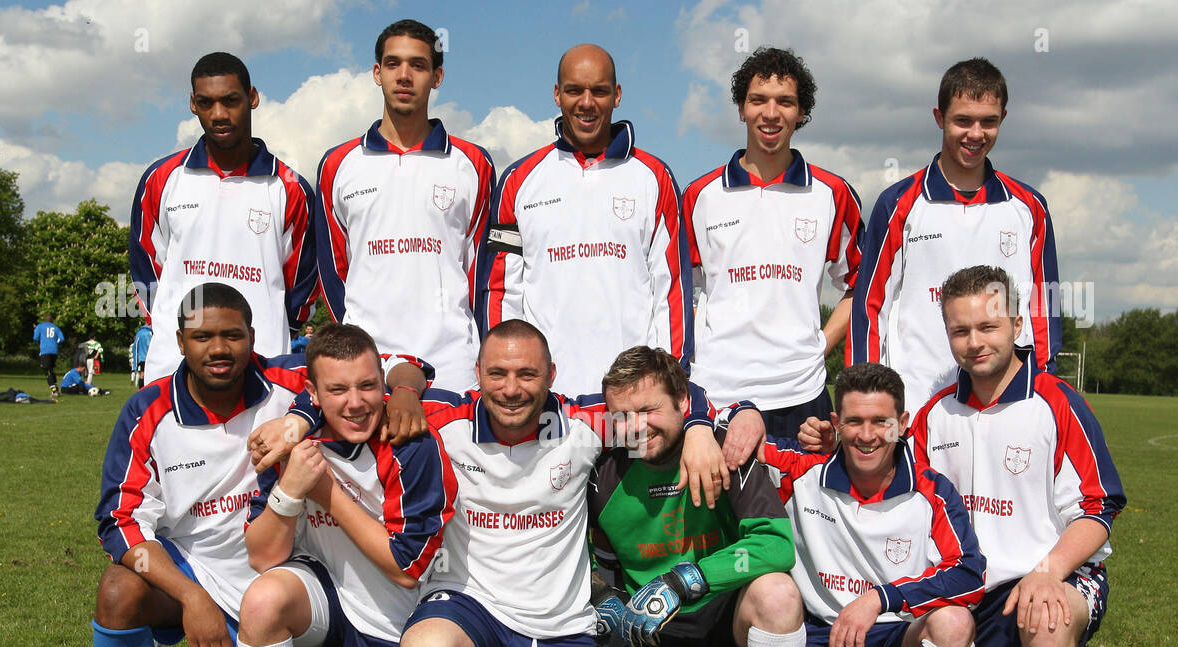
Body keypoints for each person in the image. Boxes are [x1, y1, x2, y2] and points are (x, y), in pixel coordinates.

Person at [91, 281, 430, 647]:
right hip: (195, 575)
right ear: (180, 341)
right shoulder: (147, 411)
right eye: (203, 336)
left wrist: (403, 391)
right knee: (117, 589)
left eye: (232, 335)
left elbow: (386, 366)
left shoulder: (287, 380)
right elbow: (119, 523)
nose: (219, 348)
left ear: (254, 337)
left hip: (275, 577)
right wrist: (192, 600)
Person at [396, 321, 730, 647]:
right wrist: (401, 388)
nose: (511, 389)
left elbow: (675, 399)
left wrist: (702, 427)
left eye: (528, 374)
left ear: (552, 374)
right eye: (498, 374)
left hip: (560, 622)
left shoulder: (584, 424)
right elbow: (359, 383)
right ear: (477, 373)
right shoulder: (443, 420)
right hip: (472, 608)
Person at [909, 264, 1137, 647]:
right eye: (960, 331)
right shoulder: (935, 415)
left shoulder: (1057, 402)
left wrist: (1048, 571)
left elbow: (1097, 507)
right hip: (977, 595)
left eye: (988, 326)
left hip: (1058, 578)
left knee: (1047, 611)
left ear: (1016, 322)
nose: (975, 342)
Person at [209, 324, 454, 647]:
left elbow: (405, 570)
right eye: (337, 390)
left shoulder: (410, 440)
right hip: (331, 595)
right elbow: (261, 557)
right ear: (314, 394)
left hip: (401, 616)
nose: (356, 403)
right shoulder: (293, 442)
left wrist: (325, 494)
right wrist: (290, 491)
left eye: (367, 386)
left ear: (383, 383)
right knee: (262, 597)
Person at [589, 347, 805, 647]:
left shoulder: (726, 448)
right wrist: (607, 601)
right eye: (623, 416)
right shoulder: (601, 470)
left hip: (730, 610)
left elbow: (775, 546)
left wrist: (687, 578)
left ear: (685, 403)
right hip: (659, 622)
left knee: (779, 594)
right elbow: (595, 556)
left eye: (649, 411)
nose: (636, 427)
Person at [762, 363, 985, 647]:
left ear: (903, 424)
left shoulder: (931, 491)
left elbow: (969, 573)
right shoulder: (802, 471)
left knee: (955, 621)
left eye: (881, 421)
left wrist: (880, 598)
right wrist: (741, 414)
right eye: (854, 422)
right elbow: (732, 442)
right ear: (835, 424)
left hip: (897, 643)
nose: (868, 435)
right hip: (823, 642)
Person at [848, 58, 1060, 412]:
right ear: (938, 117)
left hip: (1010, 406)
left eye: (988, 122)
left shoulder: (1029, 207)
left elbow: (1044, 305)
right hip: (918, 405)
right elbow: (871, 309)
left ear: (1003, 119)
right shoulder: (898, 204)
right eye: (963, 120)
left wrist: (1046, 385)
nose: (976, 134)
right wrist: (864, 395)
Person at [480, 44, 691, 395]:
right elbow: (502, 292)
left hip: (630, 398)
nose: (587, 103)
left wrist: (668, 383)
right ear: (557, 94)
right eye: (575, 90)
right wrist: (505, 379)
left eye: (600, 91)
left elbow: (670, 291)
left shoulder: (654, 177)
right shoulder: (519, 180)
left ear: (617, 95)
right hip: (544, 398)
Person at [683, 47, 864, 439]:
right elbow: (681, 295)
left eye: (785, 102)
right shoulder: (700, 195)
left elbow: (861, 284)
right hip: (719, 390)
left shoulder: (832, 193)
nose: (770, 113)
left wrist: (821, 344)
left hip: (801, 391)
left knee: (804, 503)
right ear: (741, 108)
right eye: (758, 100)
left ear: (801, 113)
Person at [315, 19, 495, 392]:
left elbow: (483, 274)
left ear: (437, 76)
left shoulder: (473, 164)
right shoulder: (338, 165)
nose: (404, 76)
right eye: (393, 64)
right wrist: (352, 346)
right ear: (377, 73)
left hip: (452, 362)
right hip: (367, 362)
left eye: (418, 65)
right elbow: (333, 273)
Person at [130, 52, 317, 385]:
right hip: (173, 367)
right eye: (206, 103)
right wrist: (170, 325)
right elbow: (147, 274)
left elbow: (302, 285)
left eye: (230, 101)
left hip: (265, 366)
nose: (218, 114)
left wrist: (275, 331)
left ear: (253, 97)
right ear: (192, 104)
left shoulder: (289, 188)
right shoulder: (161, 180)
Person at [34, 316, 64, 395]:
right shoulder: (56, 328)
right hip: (54, 351)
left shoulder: (40, 326)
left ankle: (54, 390)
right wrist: (55, 343)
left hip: (45, 351)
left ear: (44, 320)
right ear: (52, 320)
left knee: (47, 371)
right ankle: (56, 388)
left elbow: (35, 338)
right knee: (51, 370)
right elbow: (62, 339)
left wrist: (43, 341)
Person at [130, 321, 153, 389]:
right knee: (148, 375)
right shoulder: (150, 333)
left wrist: (135, 362)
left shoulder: (139, 333)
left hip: (141, 358)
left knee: (142, 374)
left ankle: (141, 390)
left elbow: (135, 347)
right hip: (149, 358)